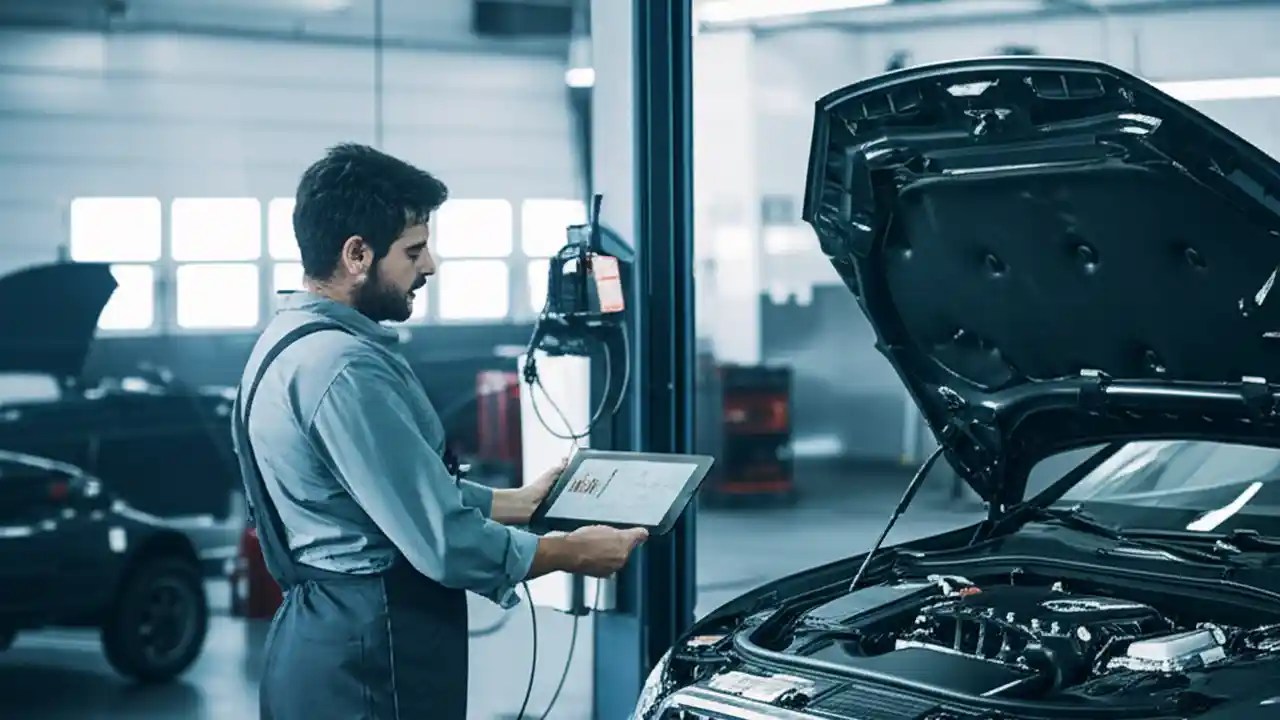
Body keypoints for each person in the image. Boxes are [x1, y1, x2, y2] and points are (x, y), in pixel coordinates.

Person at [230, 143, 649, 720]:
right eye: (413, 250)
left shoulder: (286, 344)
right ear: (357, 254)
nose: (429, 266)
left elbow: (388, 490)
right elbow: (444, 544)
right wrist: (571, 552)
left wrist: (517, 503)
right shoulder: (346, 368)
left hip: (321, 638)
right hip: (372, 653)